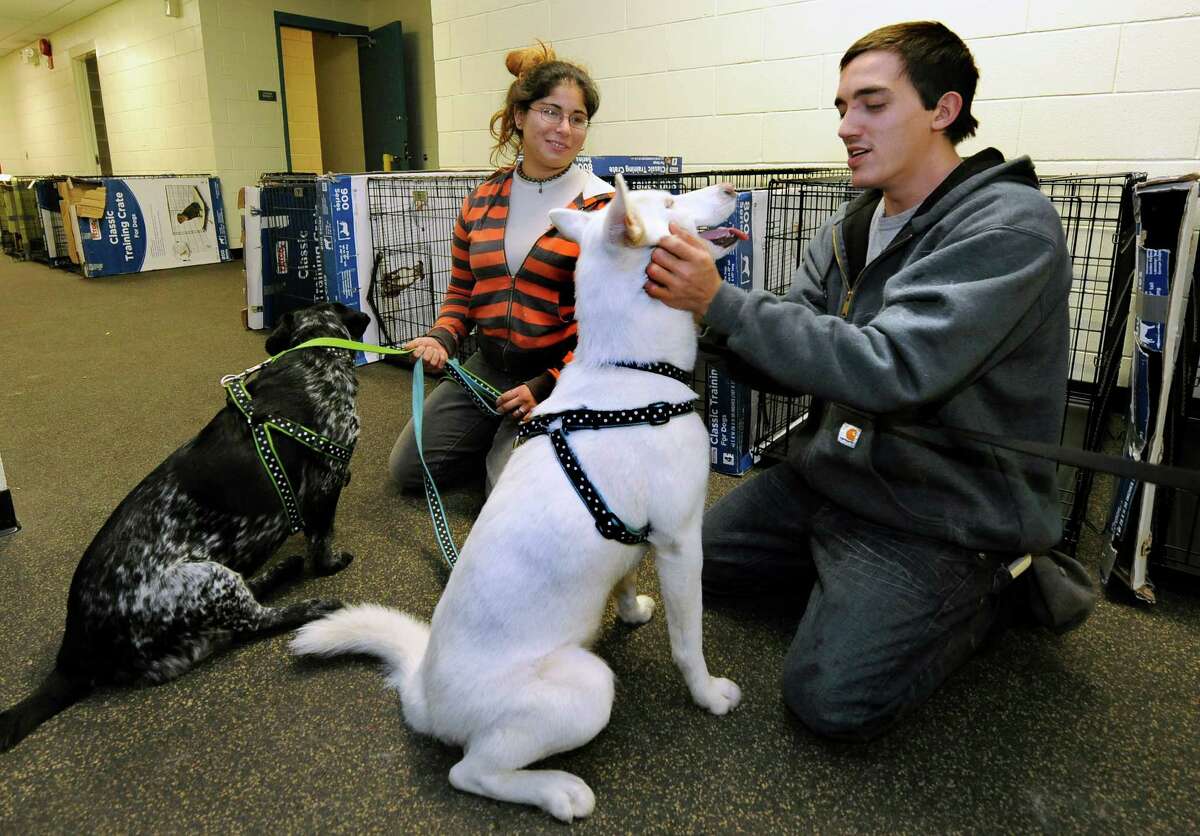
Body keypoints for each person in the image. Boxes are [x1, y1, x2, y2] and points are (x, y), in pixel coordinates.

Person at [643, 21, 1074, 740]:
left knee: (831, 699)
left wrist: (719, 300)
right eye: (842, 107)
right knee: (695, 562)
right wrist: (698, 313)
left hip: (940, 513)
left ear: (942, 110)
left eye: (872, 104)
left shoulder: (1009, 227)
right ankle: (854, 588)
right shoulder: (852, 225)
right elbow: (790, 350)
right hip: (833, 476)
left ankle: (998, 586)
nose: (847, 126)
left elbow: (893, 366)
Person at [389, 43, 611, 494]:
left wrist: (545, 386)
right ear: (519, 116)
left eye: (578, 118)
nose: (564, 129)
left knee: (509, 496)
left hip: (561, 372)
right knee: (409, 471)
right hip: (488, 364)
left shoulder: (601, 207)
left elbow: (609, 324)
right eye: (550, 112)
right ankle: (502, 437)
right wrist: (441, 335)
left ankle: (535, 444)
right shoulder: (482, 200)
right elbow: (461, 291)